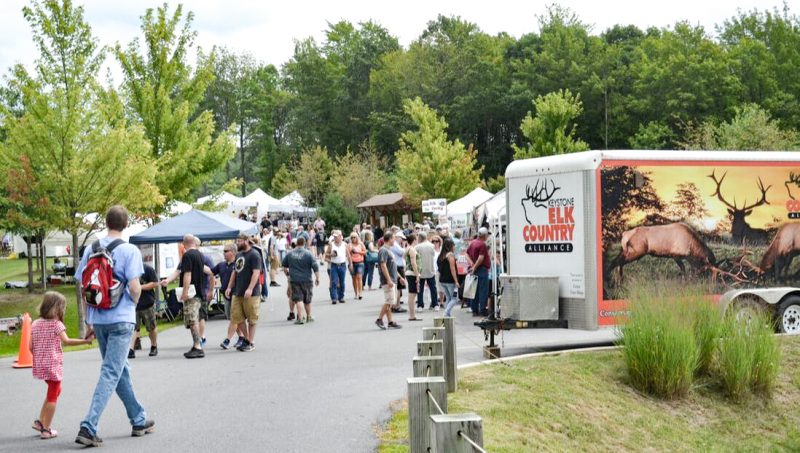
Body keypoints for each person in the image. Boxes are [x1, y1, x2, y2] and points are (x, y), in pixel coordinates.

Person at [75, 205, 154, 447]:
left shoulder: (91, 248)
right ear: (126, 224)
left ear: (106, 223)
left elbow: (82, 285)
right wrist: (134, 302)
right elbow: (134, 287)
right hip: (121, 319)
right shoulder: (130, 250)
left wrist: (89, 317)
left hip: (99, 318)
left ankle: (138, 418)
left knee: (119, 369)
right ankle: (89, 426)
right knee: (111, 371)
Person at [30, 291, 93, 440]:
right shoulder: (56, 325)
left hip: (40, 365)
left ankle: (40, 422)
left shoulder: (35, 323)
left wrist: (40, 358)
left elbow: (30, 347)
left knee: (55, 390)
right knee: (53, 395)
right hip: (53, 365)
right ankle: (46, 429)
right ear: (57, 309)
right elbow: (67, 341)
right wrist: (85, 341)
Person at [225, 233, 263, 352]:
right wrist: (229, 287)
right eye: (237, 241)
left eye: (239, 241)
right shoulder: (239, 255)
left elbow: (256, 273)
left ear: (246, 240)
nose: (237, 243)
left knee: (252, 319)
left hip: (251, 293)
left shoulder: (255, 255)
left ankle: (250, 342)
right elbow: (235, 272)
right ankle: (247, 339)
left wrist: (250, 288)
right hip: (238, 291)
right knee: (237, 317)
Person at [177, 234, 209, 359]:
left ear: (183, 244)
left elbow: (187, 274)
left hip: (192, 292)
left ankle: (197, 346)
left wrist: (185, 292)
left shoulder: (187, 255)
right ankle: (197, 344)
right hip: (200, 291)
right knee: (196, 318)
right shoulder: (200, 255)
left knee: (192, 319)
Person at [282, 236, 320, 324]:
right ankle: (309, 316)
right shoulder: (308, 253)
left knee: (298, 299)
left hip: (295, 279)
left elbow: (284, 267)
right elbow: (315, 267)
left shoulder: (290, 253)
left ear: (296, 243)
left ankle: (301, 318)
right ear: (304, 243)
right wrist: (317, 278)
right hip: (307, 279)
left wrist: (288, 275)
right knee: (307, 299)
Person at [216, 244, 248, 350]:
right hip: (226, 295)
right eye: (223, 251)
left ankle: (227, 340)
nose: (224, 253)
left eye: (226, 251)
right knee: (232, 318)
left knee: (235, 318)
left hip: (236, 294)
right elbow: (210, 271)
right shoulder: (221, 265)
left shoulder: (238, 264)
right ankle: (242, 337)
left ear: (233, 252)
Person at [128, 263, 159, 359]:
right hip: (133, 305)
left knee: (151, 328)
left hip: (147, 303)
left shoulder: (148, 269)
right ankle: (131, 350)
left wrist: (140, 287)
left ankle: (154, 346)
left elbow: (155, 283)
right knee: (133, 328)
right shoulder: (129, 270)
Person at [375, 232, 402, 330]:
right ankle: (379, 319)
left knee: (390, 301)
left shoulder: (389, 250)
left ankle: (390, 321)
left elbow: (393, 266)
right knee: (389, 301)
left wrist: (400, 277)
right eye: (393, 239)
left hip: (393, 279)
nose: (394, 241)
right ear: (389, 239)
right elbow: (383, 265)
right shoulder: (383, 250)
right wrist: (389, 280)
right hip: (388, 280)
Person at [467, 227, 492, 317]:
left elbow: (466, 254)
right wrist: (475, 266)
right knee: (483, 290)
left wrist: (472, 265)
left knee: (474, 290)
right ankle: (482, 309)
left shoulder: (473, 242)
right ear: (484, 236)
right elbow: (481, 258)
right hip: (481, 269)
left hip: (475, 269)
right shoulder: (482, 245)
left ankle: (474, 310)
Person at [415, 231, 439, 311]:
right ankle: (435, 304)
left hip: (420, 270)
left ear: (420, 238)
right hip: (430, 269)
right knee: (433, 288)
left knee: (420, 289)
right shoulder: (432, 246)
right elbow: (433, 256)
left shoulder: (417, 247)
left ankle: (420, 305)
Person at [439, 238, 461, 316]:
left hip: (443, 280)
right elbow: (452, 269)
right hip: (450, 280)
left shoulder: (441, 255)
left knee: (448, 297)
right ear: (450, 246)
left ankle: (447, 315)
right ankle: (446, 313)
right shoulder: (450, 255)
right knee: (455, 299)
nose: (454, 247)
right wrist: (456, 281)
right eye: (453, 245)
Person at [404, 233, 423, 322]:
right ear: (414, 240)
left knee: (413, 294)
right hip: (412, 273)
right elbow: (413, 263)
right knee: (412, 294)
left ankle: (412, 314)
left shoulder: (408, 248)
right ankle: (412, 315)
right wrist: (417, 275)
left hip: (410, 273)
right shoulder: (411, 249)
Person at [328, 231, 348, 304]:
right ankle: (334, 298)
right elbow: (326, 255)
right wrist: (331, 255)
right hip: (334, 265)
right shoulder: (331, 244)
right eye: (334, 236)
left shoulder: (345, 244)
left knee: (342, 282)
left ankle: (341, 297)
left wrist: (350, 263)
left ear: (340, 236)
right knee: (334, 282)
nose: (335, 238)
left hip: (342, 265)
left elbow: (348, 254)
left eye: (336, 236)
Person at [390, 232, 408, 314]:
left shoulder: (394, 244)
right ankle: (396, 305)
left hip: (397, 265)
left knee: (398, 287)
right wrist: (404, 246)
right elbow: (402, 253)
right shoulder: (395, 245)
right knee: (398, 287)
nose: (402, 240)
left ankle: (395, 305)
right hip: (398, 266)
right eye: (402, 238)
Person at [347, 233, 366, 300]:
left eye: (354, 237)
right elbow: (348, 255)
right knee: (354, 278)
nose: (353, 239)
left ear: (357, 237)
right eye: (352, 237)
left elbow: (365, 252)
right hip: (352, 263)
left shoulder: (360, 244)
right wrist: (350, 264)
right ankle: (356, 293)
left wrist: (358, 252)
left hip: (360, 262)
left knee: (359, 277)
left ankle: (360, 293)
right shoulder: (349, 245)